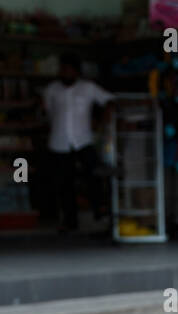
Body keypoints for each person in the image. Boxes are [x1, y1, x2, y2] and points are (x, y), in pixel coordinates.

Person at [43, 54, 113, 233]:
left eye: (68, 69)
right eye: (62, 69)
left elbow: (110, 101)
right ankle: (70, 221)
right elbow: (49, 113)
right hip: (59, 142)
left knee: (94, 175)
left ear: (76, 72)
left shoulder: (88, 88)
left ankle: (100, 210)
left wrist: (101, 121)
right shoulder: (52, 90)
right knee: (64, 183)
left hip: (84, 140)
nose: (65, 72)